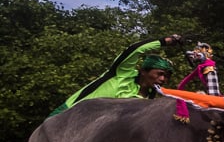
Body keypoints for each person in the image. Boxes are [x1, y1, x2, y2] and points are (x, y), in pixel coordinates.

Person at [51, 35, 183, 115]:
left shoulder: (148, 99)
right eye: (160, 74)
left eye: (166, 77)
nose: (163, 79)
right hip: (66, 115)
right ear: (143, 71)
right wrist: (165, 41)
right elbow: (135, 49)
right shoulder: (122, 73)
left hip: (89, 134)